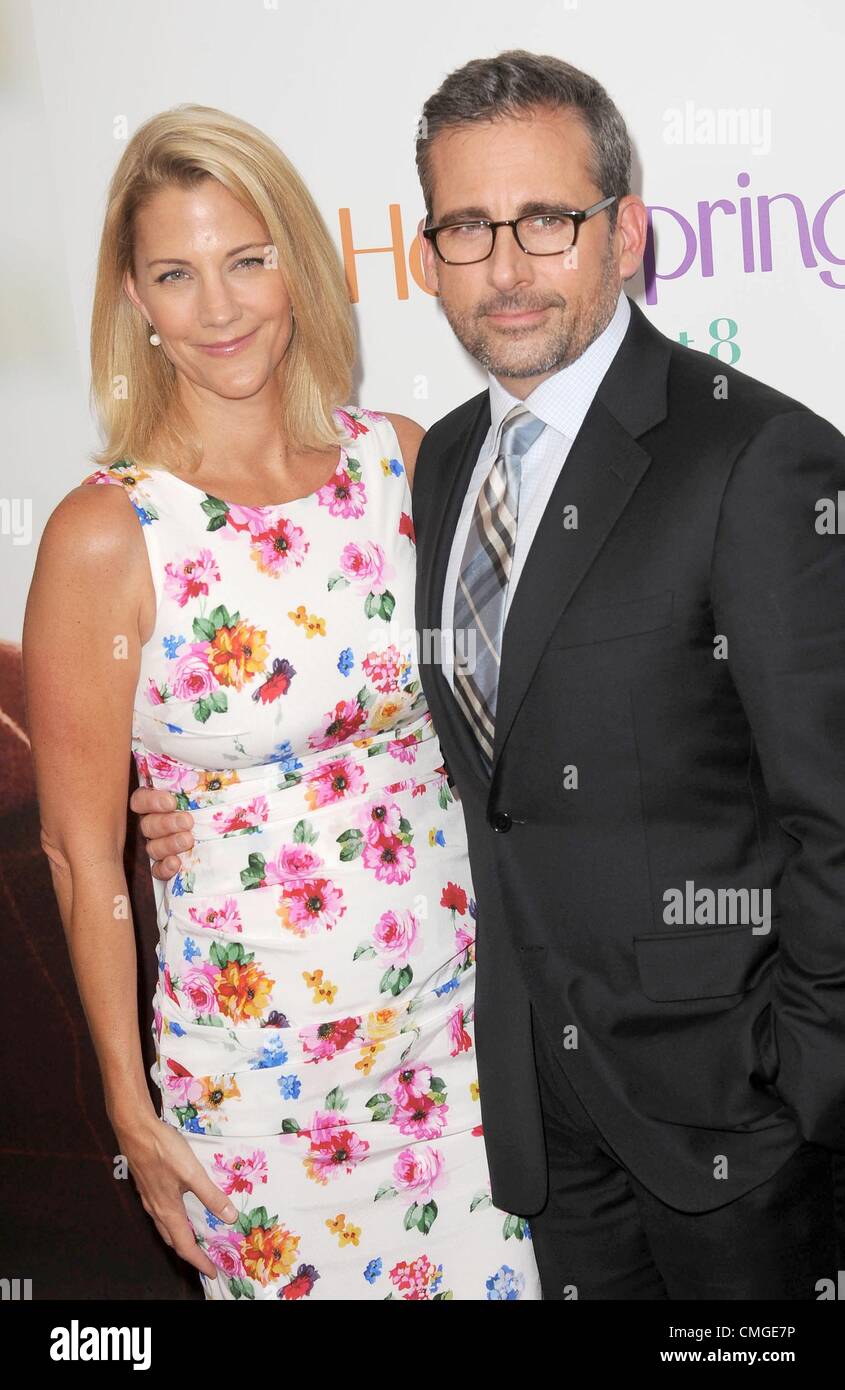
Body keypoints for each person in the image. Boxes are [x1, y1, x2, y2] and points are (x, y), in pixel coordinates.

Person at [136, 51, 845, 1301]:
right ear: (423, 258)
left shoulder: (758, 456)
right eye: (467, 228)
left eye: (545, 221)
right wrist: (194, 797)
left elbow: (831, 815)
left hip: (729, 1129)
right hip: (518, 1119)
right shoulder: (441, 462)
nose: (506, 267)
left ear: (624, 232)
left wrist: (795, 1081)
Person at [22, 103, 542, 1301]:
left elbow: (506, 720)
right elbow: (75, 848)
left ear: (298, 264)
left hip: (459, 1048)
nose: (219, 307)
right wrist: (127, 1104)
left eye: (246, 259)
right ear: (136, 302)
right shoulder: (107, 532)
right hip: (260, 1085)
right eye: (176, 273)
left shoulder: (401, 460)